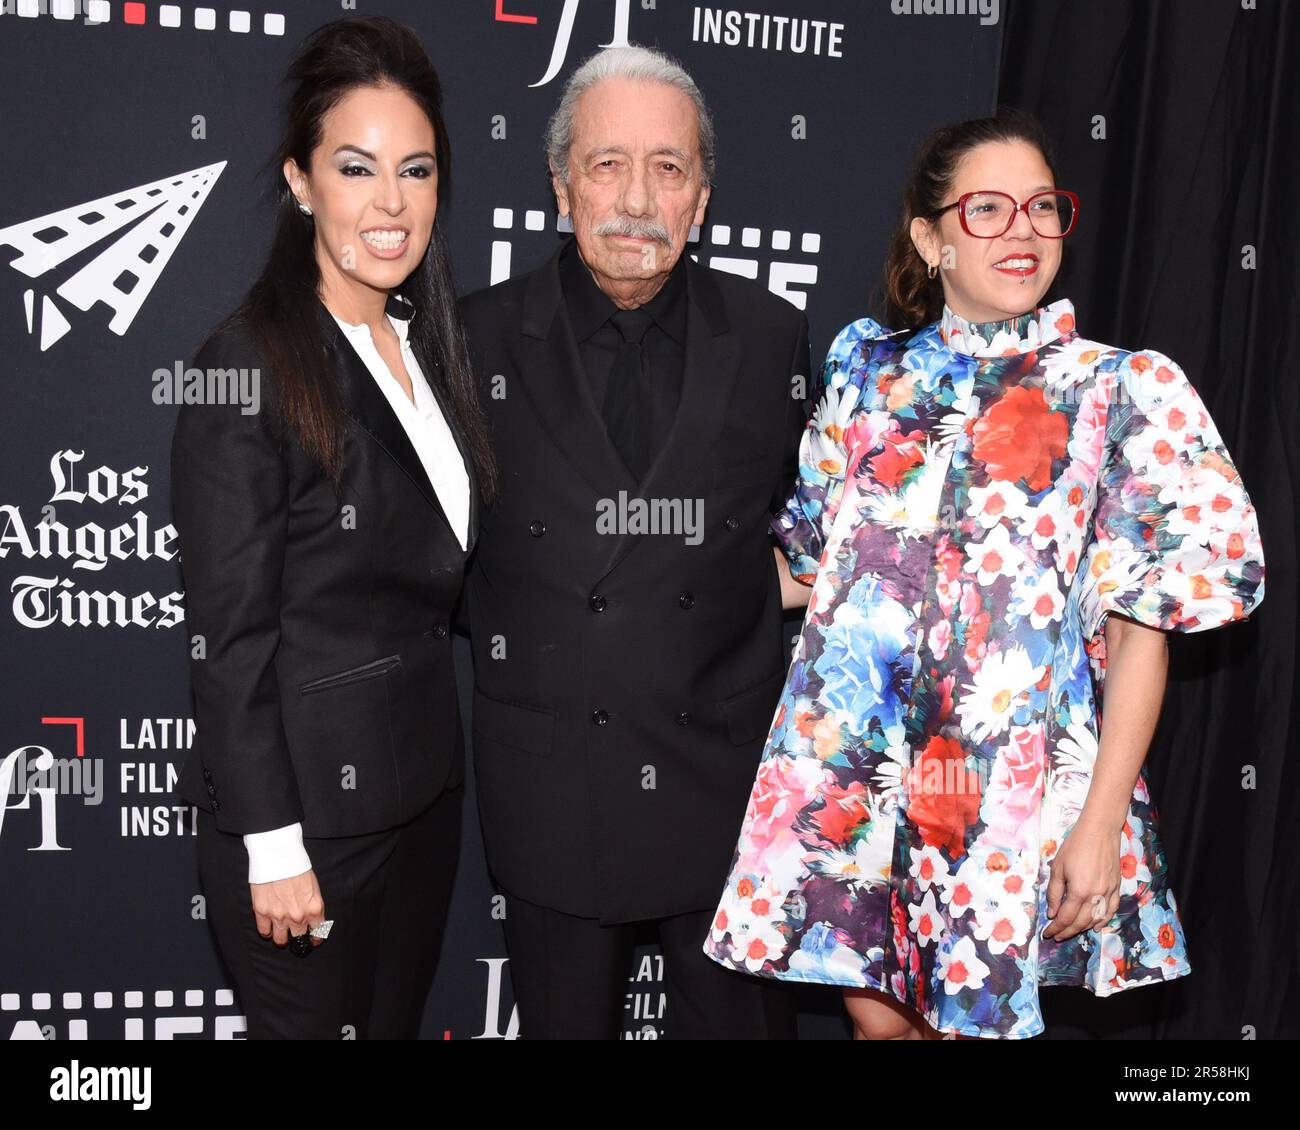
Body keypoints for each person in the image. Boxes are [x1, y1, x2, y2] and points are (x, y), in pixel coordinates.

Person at [703, 109, 1266, 1040]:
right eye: (989, 209)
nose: (1023, 231)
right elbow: (807, 568)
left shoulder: (1117, 391)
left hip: (1013, 790)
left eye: (1042, 207)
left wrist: (1099, 821)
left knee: (969, 1029)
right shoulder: (864, 370)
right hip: (856, 772)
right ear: (931, 240)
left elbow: (1139, 632)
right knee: (881, 1030)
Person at [457, 44, 810, 1039]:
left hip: (725, 784)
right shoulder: (471, 338)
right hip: (553, 779)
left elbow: (814, 535)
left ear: (702, 193)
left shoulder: (774, 335)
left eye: (668, 166)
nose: (636, 197)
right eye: (608, 164)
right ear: (561, 182)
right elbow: (431, 561)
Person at [170, 16, 496, 1039]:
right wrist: (270, 839)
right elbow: (231, 637)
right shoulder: (250, 361)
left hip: (422, 801)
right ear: (301, 181)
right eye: (356, 168)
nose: (391, 204)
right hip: (304, 823)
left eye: (417, 170)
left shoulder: (430, 347)